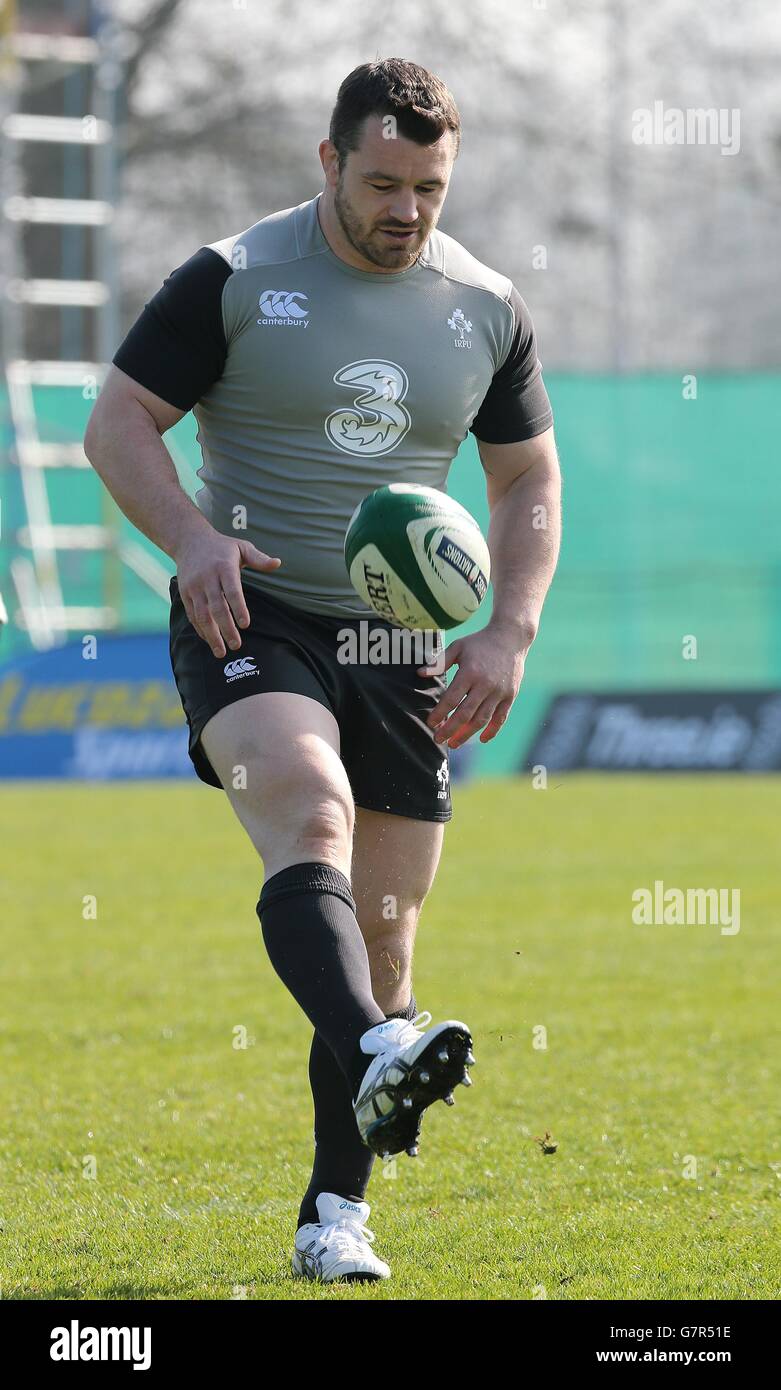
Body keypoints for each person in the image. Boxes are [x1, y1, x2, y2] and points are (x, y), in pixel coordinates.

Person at [85, 57, 561, 1284]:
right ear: (329, 164)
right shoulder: (235, 276)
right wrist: (193, 540)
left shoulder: (488, 308)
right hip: (252, 608)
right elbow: (117, 421)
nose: (407, 210)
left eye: (431, 188)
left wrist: (506, 628)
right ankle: (373, 1052)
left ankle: (331, 1215)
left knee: (387, 953)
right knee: (311, 803)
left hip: (401, 644)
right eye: (385, 183)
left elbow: (526, 482)